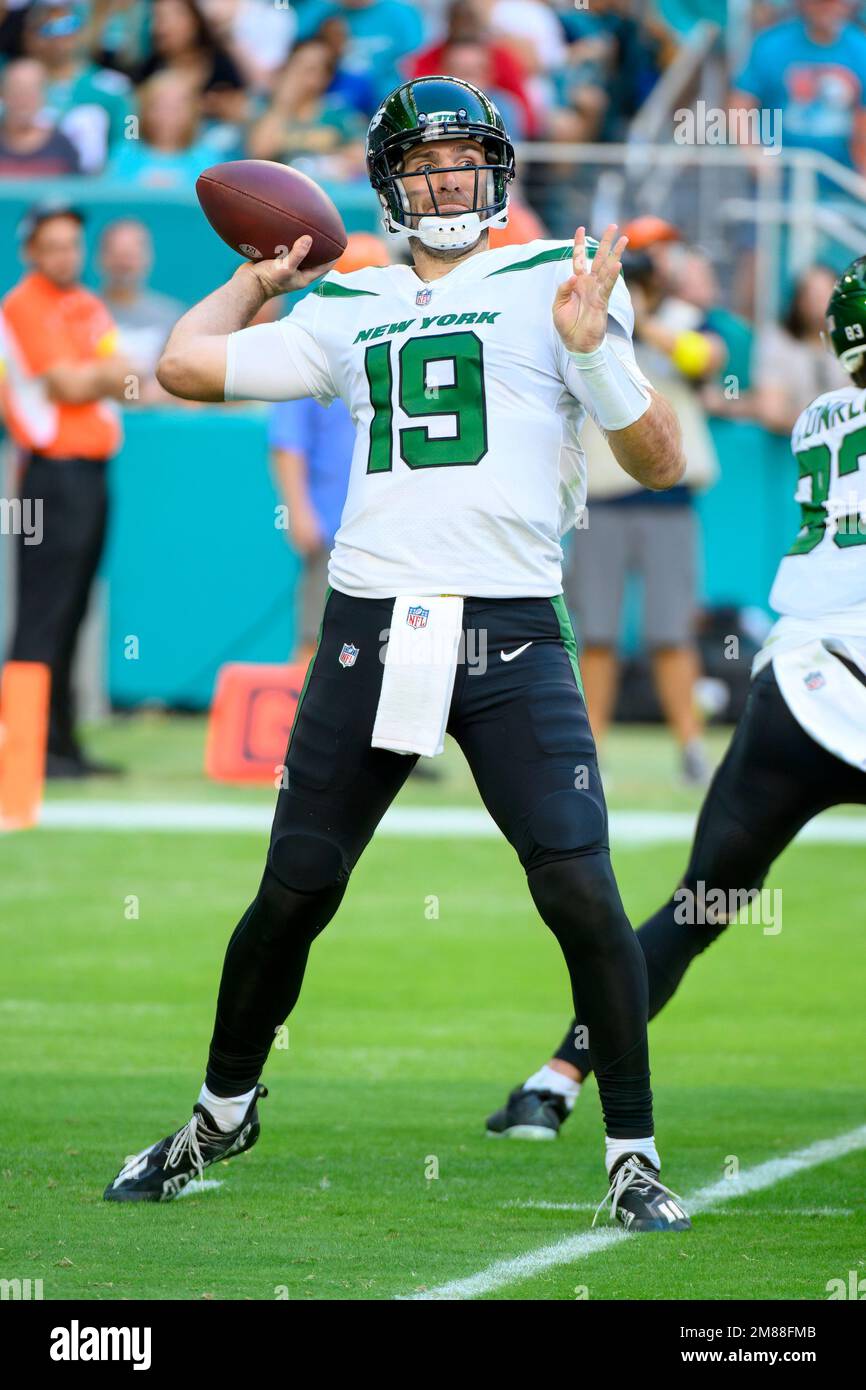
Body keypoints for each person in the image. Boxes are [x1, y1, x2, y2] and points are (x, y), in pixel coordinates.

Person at [104, 76, 692, 1234]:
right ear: (385, 185)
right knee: (292, 892)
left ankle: (630, 1149)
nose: (443, 182)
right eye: (421, 166)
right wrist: (252, 280)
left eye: (461, 160)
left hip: (511, 624)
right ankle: (220, 1113)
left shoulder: (553, 282)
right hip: (371, 626)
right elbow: (180, 367)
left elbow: (661, 460)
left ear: (496, 170)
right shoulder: (349, 300)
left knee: (578, 883)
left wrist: (597, 353)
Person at [486, 253, 866, 1141]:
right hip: (850, 674)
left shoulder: (824, 414)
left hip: (793, 689)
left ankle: (554, 1079)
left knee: (699, 906)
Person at [563, 220, 723, 784]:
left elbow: (706, 360)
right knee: (598, 633)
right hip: (602, 496)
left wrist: (642, 319)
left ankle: (692, 747)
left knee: (671, 632)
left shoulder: (678, 319)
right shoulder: (588, 314)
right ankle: (590, 750)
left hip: (667, 497)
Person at [0, 205, 133, 778]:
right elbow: (70, 382)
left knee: (74, 611)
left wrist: (95, 374)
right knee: (40, 613)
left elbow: (125, 377)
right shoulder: (23, 303)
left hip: (91, 472)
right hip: (45, 475)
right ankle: (25, 750)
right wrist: (96, 373)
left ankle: (62, 746)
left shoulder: (86, 303)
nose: (65, 257)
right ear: (31, 251)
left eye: (73, 246)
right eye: (53, 246)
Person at [269, 233, 390, 665]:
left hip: (387, 519)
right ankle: (299, 726)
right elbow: (288, 442)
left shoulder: (390, 343)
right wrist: (298, 510)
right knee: (316, 633)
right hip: (332, 518)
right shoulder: (314, 347)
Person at [24, 0, 133, 173]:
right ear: (29, 37)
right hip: (26, 180)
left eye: (69, 25)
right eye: (48, 28)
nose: (59, 36)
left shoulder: (113, 87)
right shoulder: (13, 85)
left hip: (93, 188)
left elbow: (130, 135)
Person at [754, 264, 850, 436]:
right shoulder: (778, 341)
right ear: (798, 301)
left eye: (825, 294)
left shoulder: (852, 342)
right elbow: (772, 413)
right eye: (811, 294)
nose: (818, 301)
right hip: (791, 451)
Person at [97, 218, 185, 392]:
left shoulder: (171, 316)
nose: (123, 263)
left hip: (152, 413)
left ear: (146, 259)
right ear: (100, 258)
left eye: (130, 256)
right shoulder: (79, 312)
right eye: (116, 255)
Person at [0, 55, 81, 175]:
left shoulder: (62, 146)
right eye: (16, 91)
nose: (23, 100)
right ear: (3, 94)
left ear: (43, 96)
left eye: (30, 92)